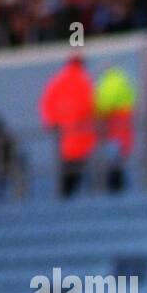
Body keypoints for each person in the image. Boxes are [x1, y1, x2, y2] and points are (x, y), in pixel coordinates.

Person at [39, 55, 97, 197]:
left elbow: (46, 104)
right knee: (77, 170)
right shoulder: (84, 81)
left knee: (67, 168)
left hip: (64, 135)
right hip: (81, 135)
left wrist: (52, 123)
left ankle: (64, 197)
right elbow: (91, 107)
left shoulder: (57, 81)